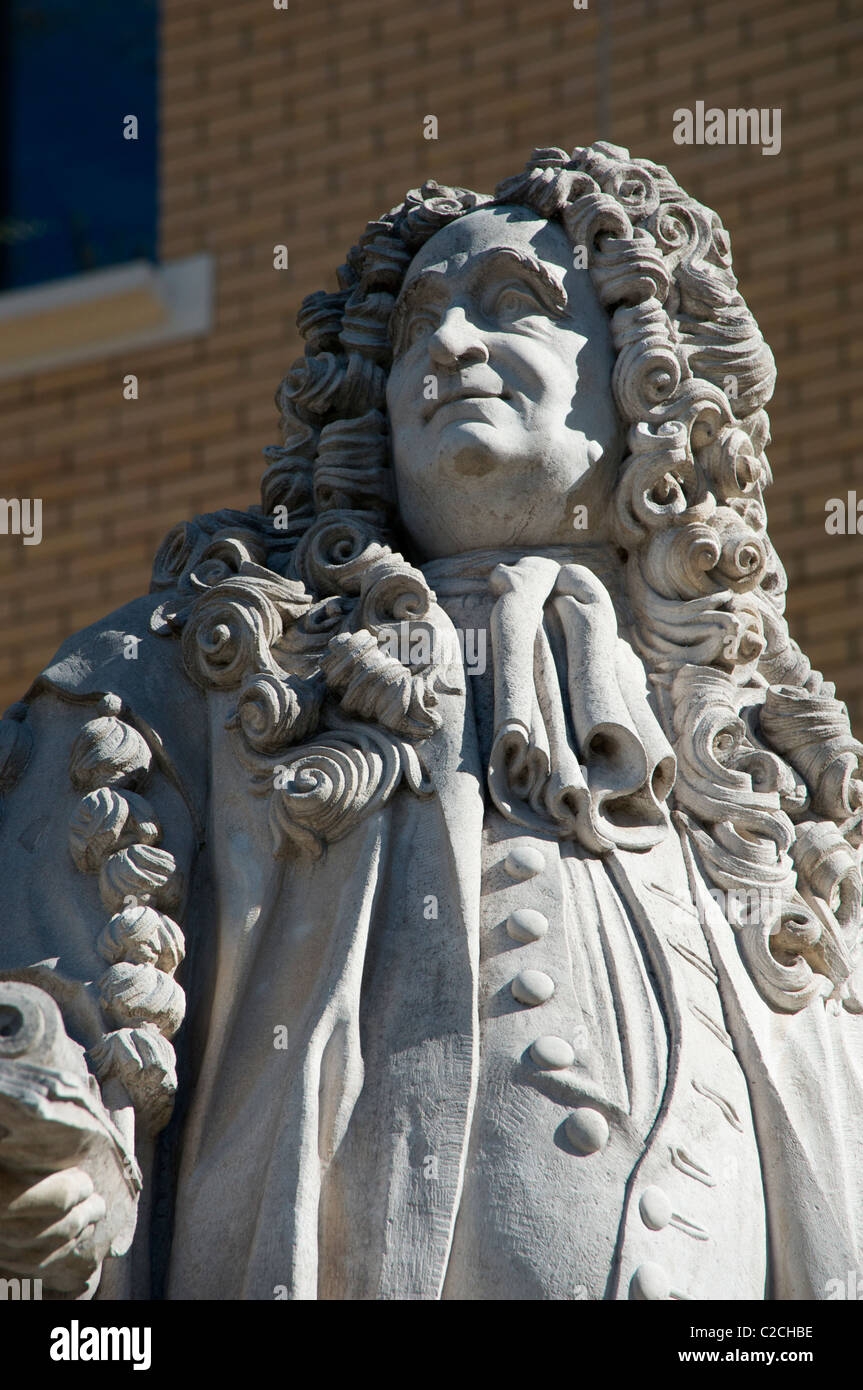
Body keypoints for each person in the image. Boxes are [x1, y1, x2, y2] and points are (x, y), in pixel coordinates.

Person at [1, 141, 861, 1300]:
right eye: (416, 327)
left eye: (511, 306)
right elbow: (63, 980)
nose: (448, 345)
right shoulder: (210, 669)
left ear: (646, 378)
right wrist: (64, 1132)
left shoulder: (770, 779)